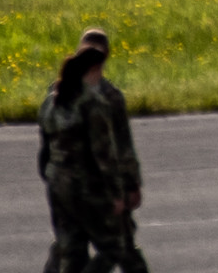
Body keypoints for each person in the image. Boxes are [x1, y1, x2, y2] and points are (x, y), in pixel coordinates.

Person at [37, 45, 137, 273]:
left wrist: (49, 172)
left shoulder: (52, 100)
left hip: (57, 184)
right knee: (114, 248)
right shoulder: (93, 104)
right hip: (86, 186)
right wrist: (116, 194)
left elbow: (45, 144)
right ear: (93, 69)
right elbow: (105, 155)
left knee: (71, 247)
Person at [74, 30, 150, 273]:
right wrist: (128, 186)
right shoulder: (109, 97)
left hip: (72, 186)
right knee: (119, 247)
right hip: (100, 187)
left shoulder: (59, 93)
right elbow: (122, 147)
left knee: (70, 247)